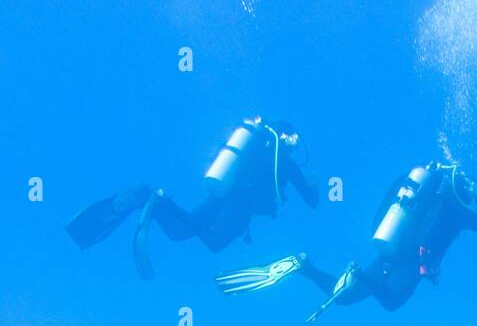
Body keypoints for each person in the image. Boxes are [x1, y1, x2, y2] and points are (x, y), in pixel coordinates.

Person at [215, 160, 477, 319]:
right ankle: (358, 276)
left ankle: (304, 266)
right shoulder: (459, 211)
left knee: (345, 298)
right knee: (392, 302)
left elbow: (388, 200)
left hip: (390, 250)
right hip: (412, 263)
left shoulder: (425, 197)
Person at [66, 117, 319, 279]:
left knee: (178, 233)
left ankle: (153, 199)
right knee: (215, 243)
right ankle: (159, 200)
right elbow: (311, 201)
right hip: (241, 207)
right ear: (289, 140)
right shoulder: (285, 161)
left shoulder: (254, 150)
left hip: (220, 197)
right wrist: (314, 185)